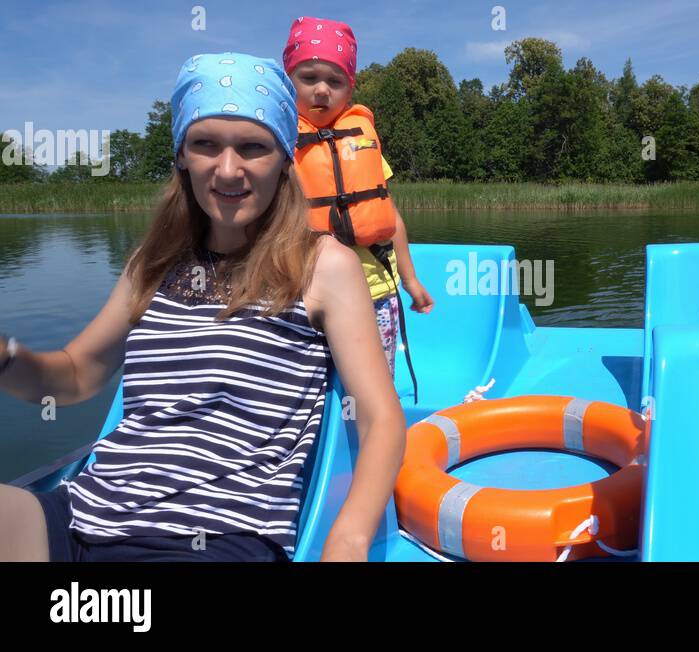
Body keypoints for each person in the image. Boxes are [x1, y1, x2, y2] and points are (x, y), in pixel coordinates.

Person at [0, 52, 405, 562]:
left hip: (217, 538)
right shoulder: (152, 263)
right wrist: (7, 357)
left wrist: (347, 540)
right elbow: (76, 375)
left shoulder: (323, 266)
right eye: (206, 144)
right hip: (83, 513)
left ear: (284, 158)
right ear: (181, 155)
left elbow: (379, 416)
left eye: (253, 147)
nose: (228, 169)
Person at [283, 16, 433, 393]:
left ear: (349, 89)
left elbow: (389, 214)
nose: (322, 90)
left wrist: (411, 279)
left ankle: (376, 437)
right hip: (308, 292)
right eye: (309, 77)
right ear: (288, 82)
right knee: (312, 380)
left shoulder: (361, 139)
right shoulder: (281, 147)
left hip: (377, 292)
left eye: (335, 81)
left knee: (375, 381)